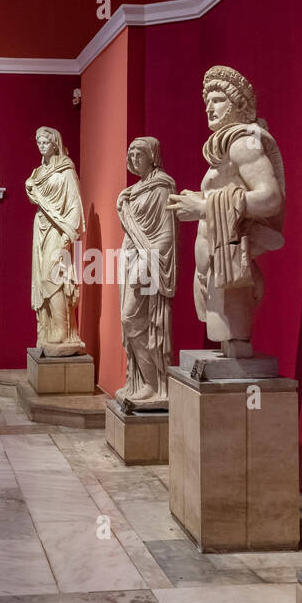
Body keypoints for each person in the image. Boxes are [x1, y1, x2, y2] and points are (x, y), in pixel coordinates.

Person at [167, 65, 285, 357]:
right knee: (226, 337)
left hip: (231, 265)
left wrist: (204, 206)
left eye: (218, 99)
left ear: (238, 104)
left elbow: (271, 198)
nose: (209, 107)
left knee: (236, 337)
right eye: (207, 101)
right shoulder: (223, 149)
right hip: (216, 264)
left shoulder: (243, 144)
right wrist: (200, 200)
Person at [115, 136, 176, 403]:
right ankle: (140, 382)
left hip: (147, 262)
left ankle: (153, 384)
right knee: (128, 323)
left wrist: (147, 262)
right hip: (129, 258)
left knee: (135, 320)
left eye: (139, 153)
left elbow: (166, 233)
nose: (133, 158)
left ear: (153, 155)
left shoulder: (162, 187)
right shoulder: (137, 189)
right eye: (130, 154)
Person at [26, 126, 85, 355]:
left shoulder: (66, 171)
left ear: (55, 144)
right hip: (40, 226)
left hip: (57, 229)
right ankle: (48, 327)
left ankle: (62, 329)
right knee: (42, 278)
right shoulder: (38, 172)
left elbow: (74, 204)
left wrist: (66, 235)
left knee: (54, 275)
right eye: (38, 142)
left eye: (45, 142)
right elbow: (33, 190)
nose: (41, 146)